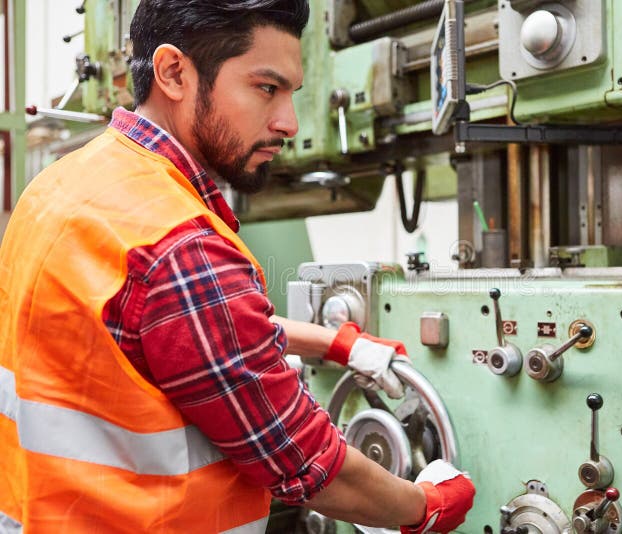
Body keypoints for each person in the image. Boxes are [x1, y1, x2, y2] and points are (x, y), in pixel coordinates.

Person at [0, 1, 475, 533]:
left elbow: (165, 333)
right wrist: (426, 505)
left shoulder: (62, 186)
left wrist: (332, 342)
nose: (288, 122)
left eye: (292, 92)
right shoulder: (179, 242)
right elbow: (304, 461)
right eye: (266, 89)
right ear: (174, 73)